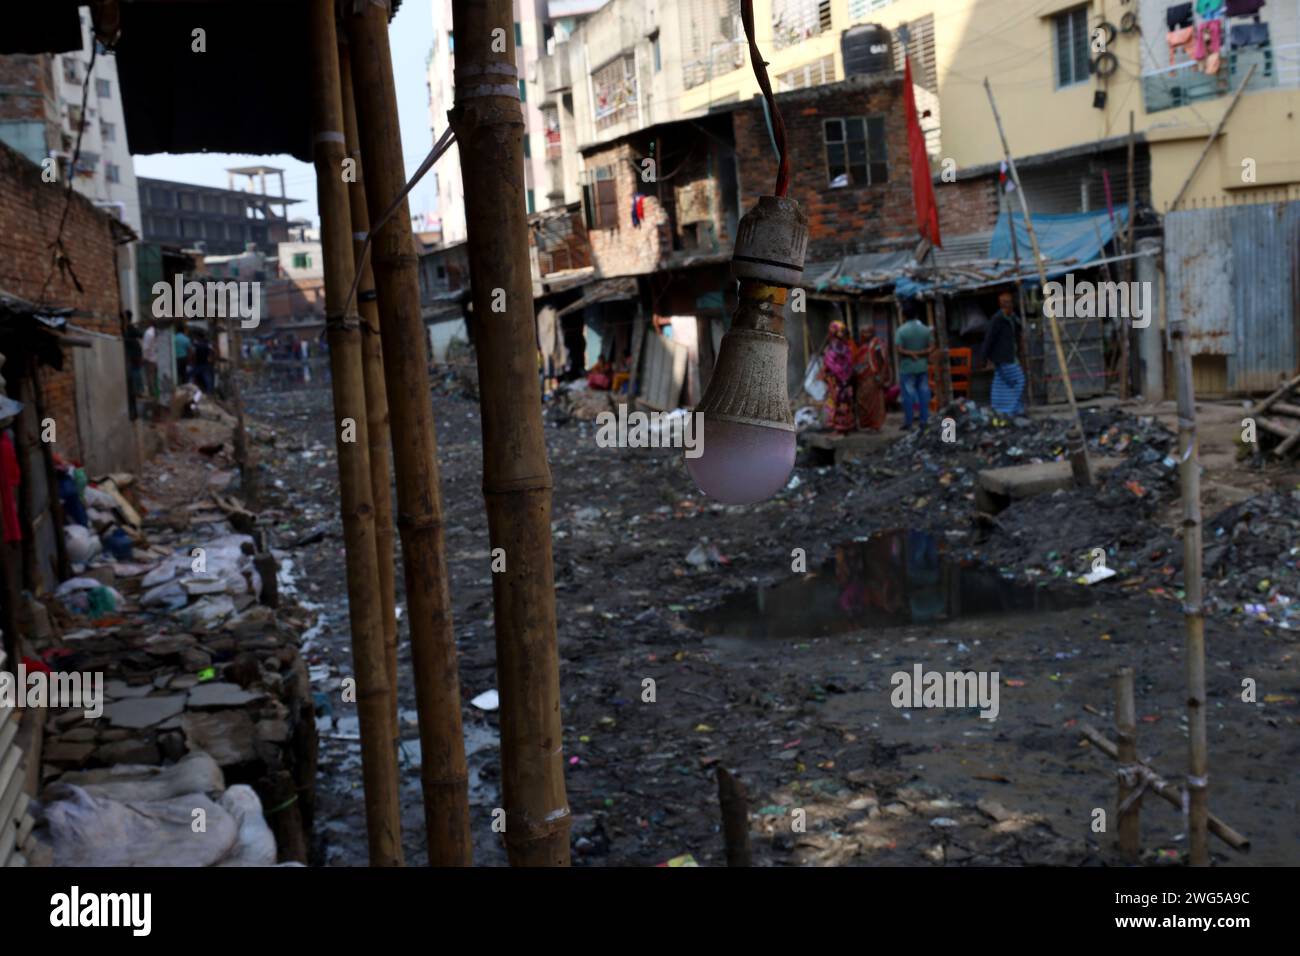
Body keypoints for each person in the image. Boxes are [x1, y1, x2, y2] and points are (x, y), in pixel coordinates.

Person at [978, 289, 1026, 415]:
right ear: (1001, 304)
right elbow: (989, 339)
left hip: (1010, 356)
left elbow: (1018, 335)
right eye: (1005, 303)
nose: (1008, 305)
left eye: (1009, 302)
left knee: (1001, 383)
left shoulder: (1013, 318)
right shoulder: (997, 319)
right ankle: (1009, 409)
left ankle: (1004, 409)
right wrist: (983, 358)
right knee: (1018, 379)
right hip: (1004, 357)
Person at [893, 299, 933, 430]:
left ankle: (909, 422)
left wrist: (911, 354)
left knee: (908, 395)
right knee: (923, 394)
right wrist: (921, 353)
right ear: (917, 315)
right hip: (922, 366)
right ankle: (924, 421)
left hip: (908, 367)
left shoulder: (901, 331)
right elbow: (932, 347)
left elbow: (899, 348)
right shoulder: (926, 330)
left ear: (904, 316)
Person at [853, 324, 892, 431]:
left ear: (872, 333)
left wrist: (881, 376)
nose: (863, 335)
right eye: (862, 332)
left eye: (866, 332)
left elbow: (883, 361)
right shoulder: (863, 347)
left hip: (873, 377)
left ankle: (875, 425)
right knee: (863, 400)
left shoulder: (876, 345)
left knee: (874, 403)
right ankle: (867, 424)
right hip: (862, 379)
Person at [820, 320, 856, 433]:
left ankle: (839, 427)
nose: (842, 333)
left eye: (842, 331)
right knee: (841, 401)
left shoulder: (836, 347)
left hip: (838, 380)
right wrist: (845, 375)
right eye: (840, 331)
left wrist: (842, 375)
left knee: (839, 401)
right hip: (840, 380)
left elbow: (831, 363)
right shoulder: (842, 347)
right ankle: (844, 425)